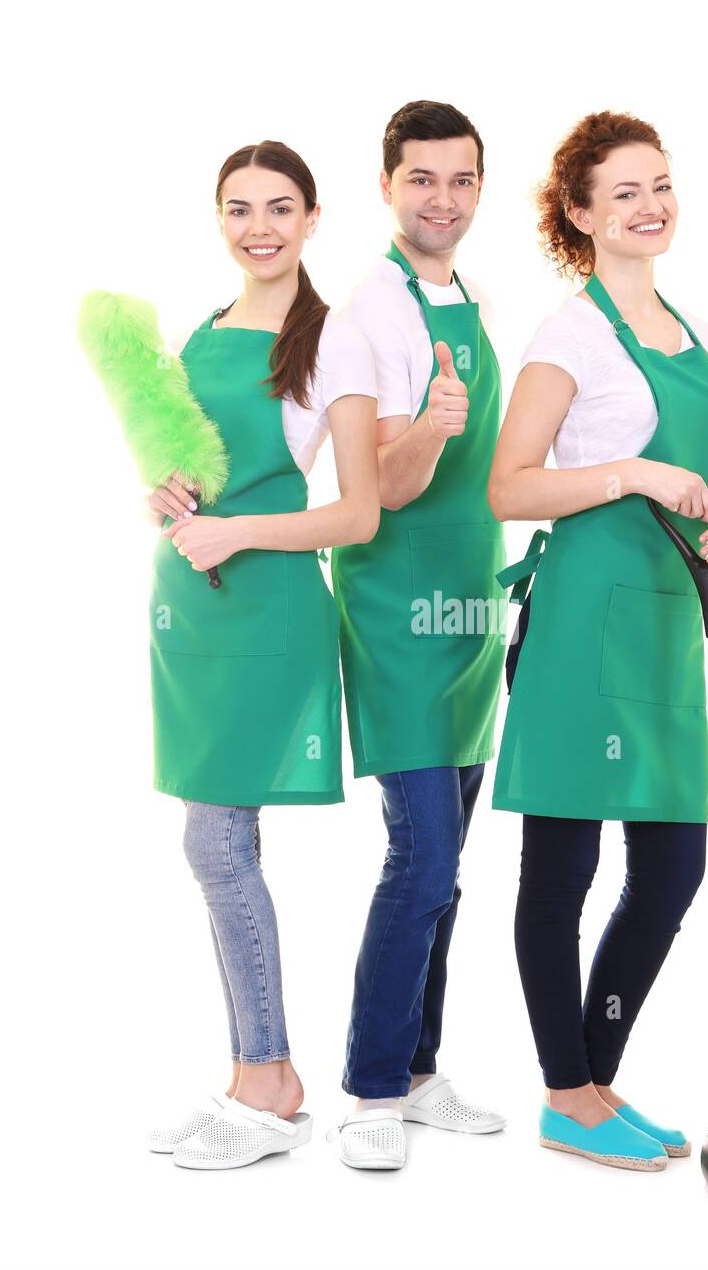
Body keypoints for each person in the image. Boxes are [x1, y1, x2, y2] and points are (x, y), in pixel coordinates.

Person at [488, 111, 708, 1171]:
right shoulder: (570, 337)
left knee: (673, 867)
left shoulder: (700, 334)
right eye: (627, 192)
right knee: (563, 867)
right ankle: (569, 1091)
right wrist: (636, 473)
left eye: (663, 185)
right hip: (583, 623)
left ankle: (591, 1078)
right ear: (583, 215)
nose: (652, 206)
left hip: (666, 624)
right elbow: (509, 487)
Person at [141, 140, 380, 1169]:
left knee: (217, 842)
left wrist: (235, 532)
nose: (259, 228)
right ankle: (255, 1075)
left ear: (314, 218)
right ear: (220, 219)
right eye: (239, 209)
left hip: (271, 608)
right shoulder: (203, 330)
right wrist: (169, 499)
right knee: (214, 838)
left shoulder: (334, 341)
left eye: (280, 208)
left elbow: (359, 512)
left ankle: (271, 1078)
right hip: (192, 613)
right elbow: (194, 468)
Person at [328, 101, 508, 1169]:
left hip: (471, 613)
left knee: (451, 865)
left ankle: (424, 1065)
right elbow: (380, 485)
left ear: (479, 187)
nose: (442, 199)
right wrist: (433, 432)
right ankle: (371, 1086)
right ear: (387, 186)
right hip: (399, 617)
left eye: (460, 180)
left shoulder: (474, 299)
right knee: (422, 854)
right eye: (421, 179)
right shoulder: (372, 316)